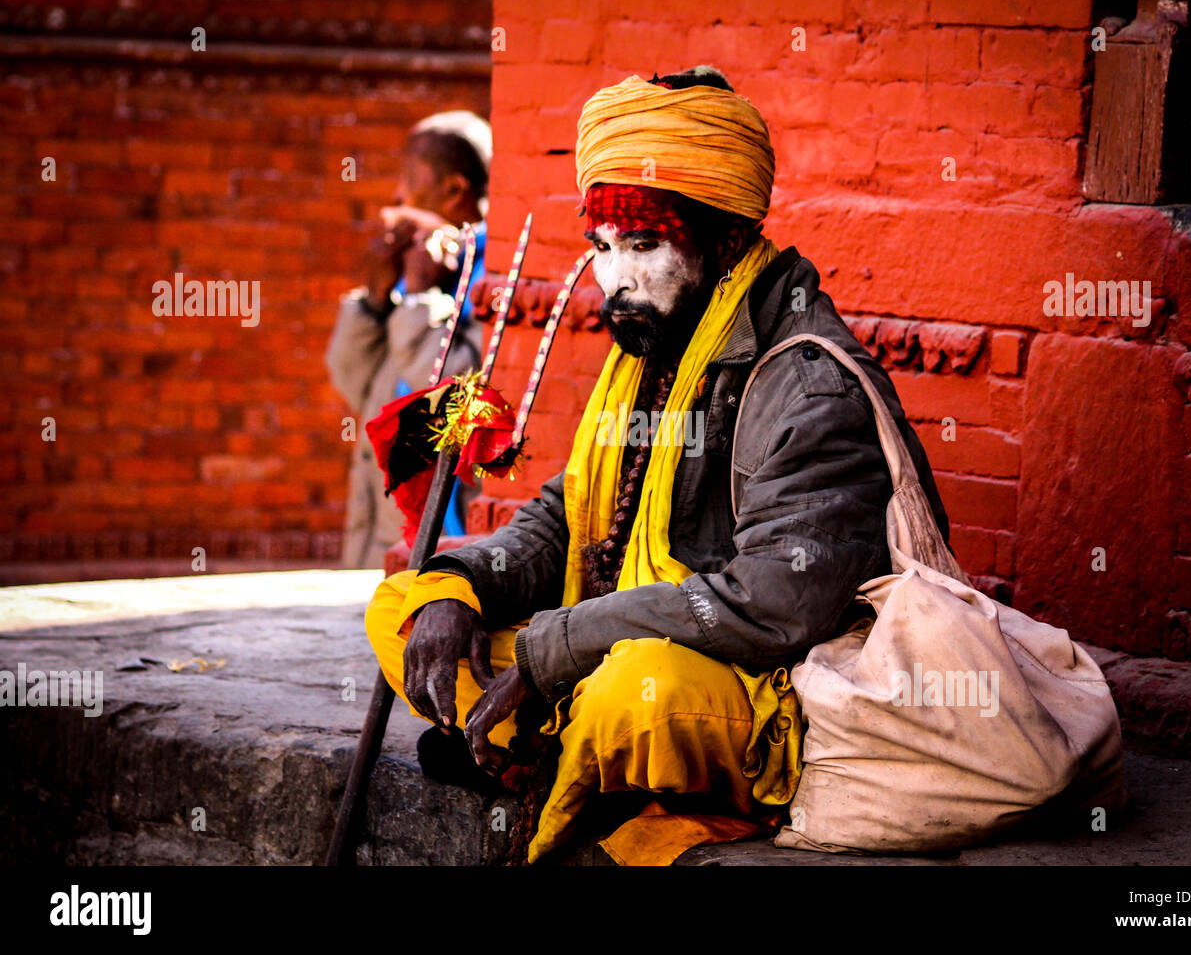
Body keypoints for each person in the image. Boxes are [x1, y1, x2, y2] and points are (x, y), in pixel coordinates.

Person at [364, 67, 953, 864]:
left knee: (631, 692)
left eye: (644, 246)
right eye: (602, 249)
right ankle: (540, 744)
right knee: (405, 606)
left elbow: (773, 606)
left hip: (760, 687)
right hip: (620, 641)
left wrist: (558, 647)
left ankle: (556, 747)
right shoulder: (656, 345)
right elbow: (572, 515)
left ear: (729, 241)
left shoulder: (808, 384)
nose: (616, 281)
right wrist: (459, 583)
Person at [327, 111, 491, 569]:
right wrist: (376, 299)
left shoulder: (493, 275)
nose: (399, 194)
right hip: (382, 530)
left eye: (409, 178)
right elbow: (356, 386)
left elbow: (451, 398)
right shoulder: (422, 254)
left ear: (454, 189)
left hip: (451, 542)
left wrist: (420, 294)